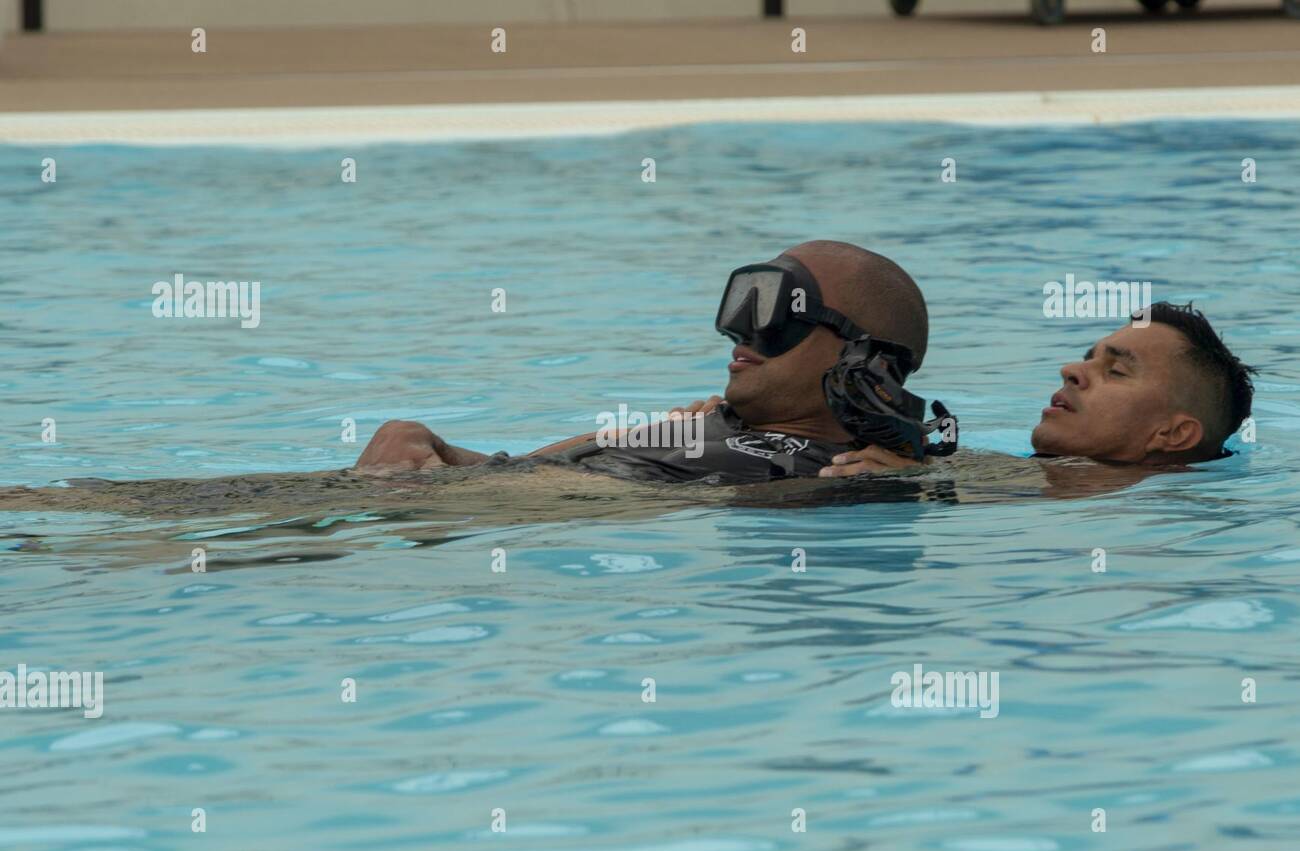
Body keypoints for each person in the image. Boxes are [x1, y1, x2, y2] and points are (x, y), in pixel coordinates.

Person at [355, 240, 935, 482]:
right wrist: (444, 455)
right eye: (742, 307)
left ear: (860, 359)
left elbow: (570, 499)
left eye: (780, 313)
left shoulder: (845, 472)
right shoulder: (706, 424)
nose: (743, 336)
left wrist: (916, 483)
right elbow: (519, 473)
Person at [820, 302, 1257, 477]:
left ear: (1173, 435)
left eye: (1117, 371)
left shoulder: (1124, 510)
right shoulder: (1030, 480)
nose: (1071, 370)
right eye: (1088, 357)